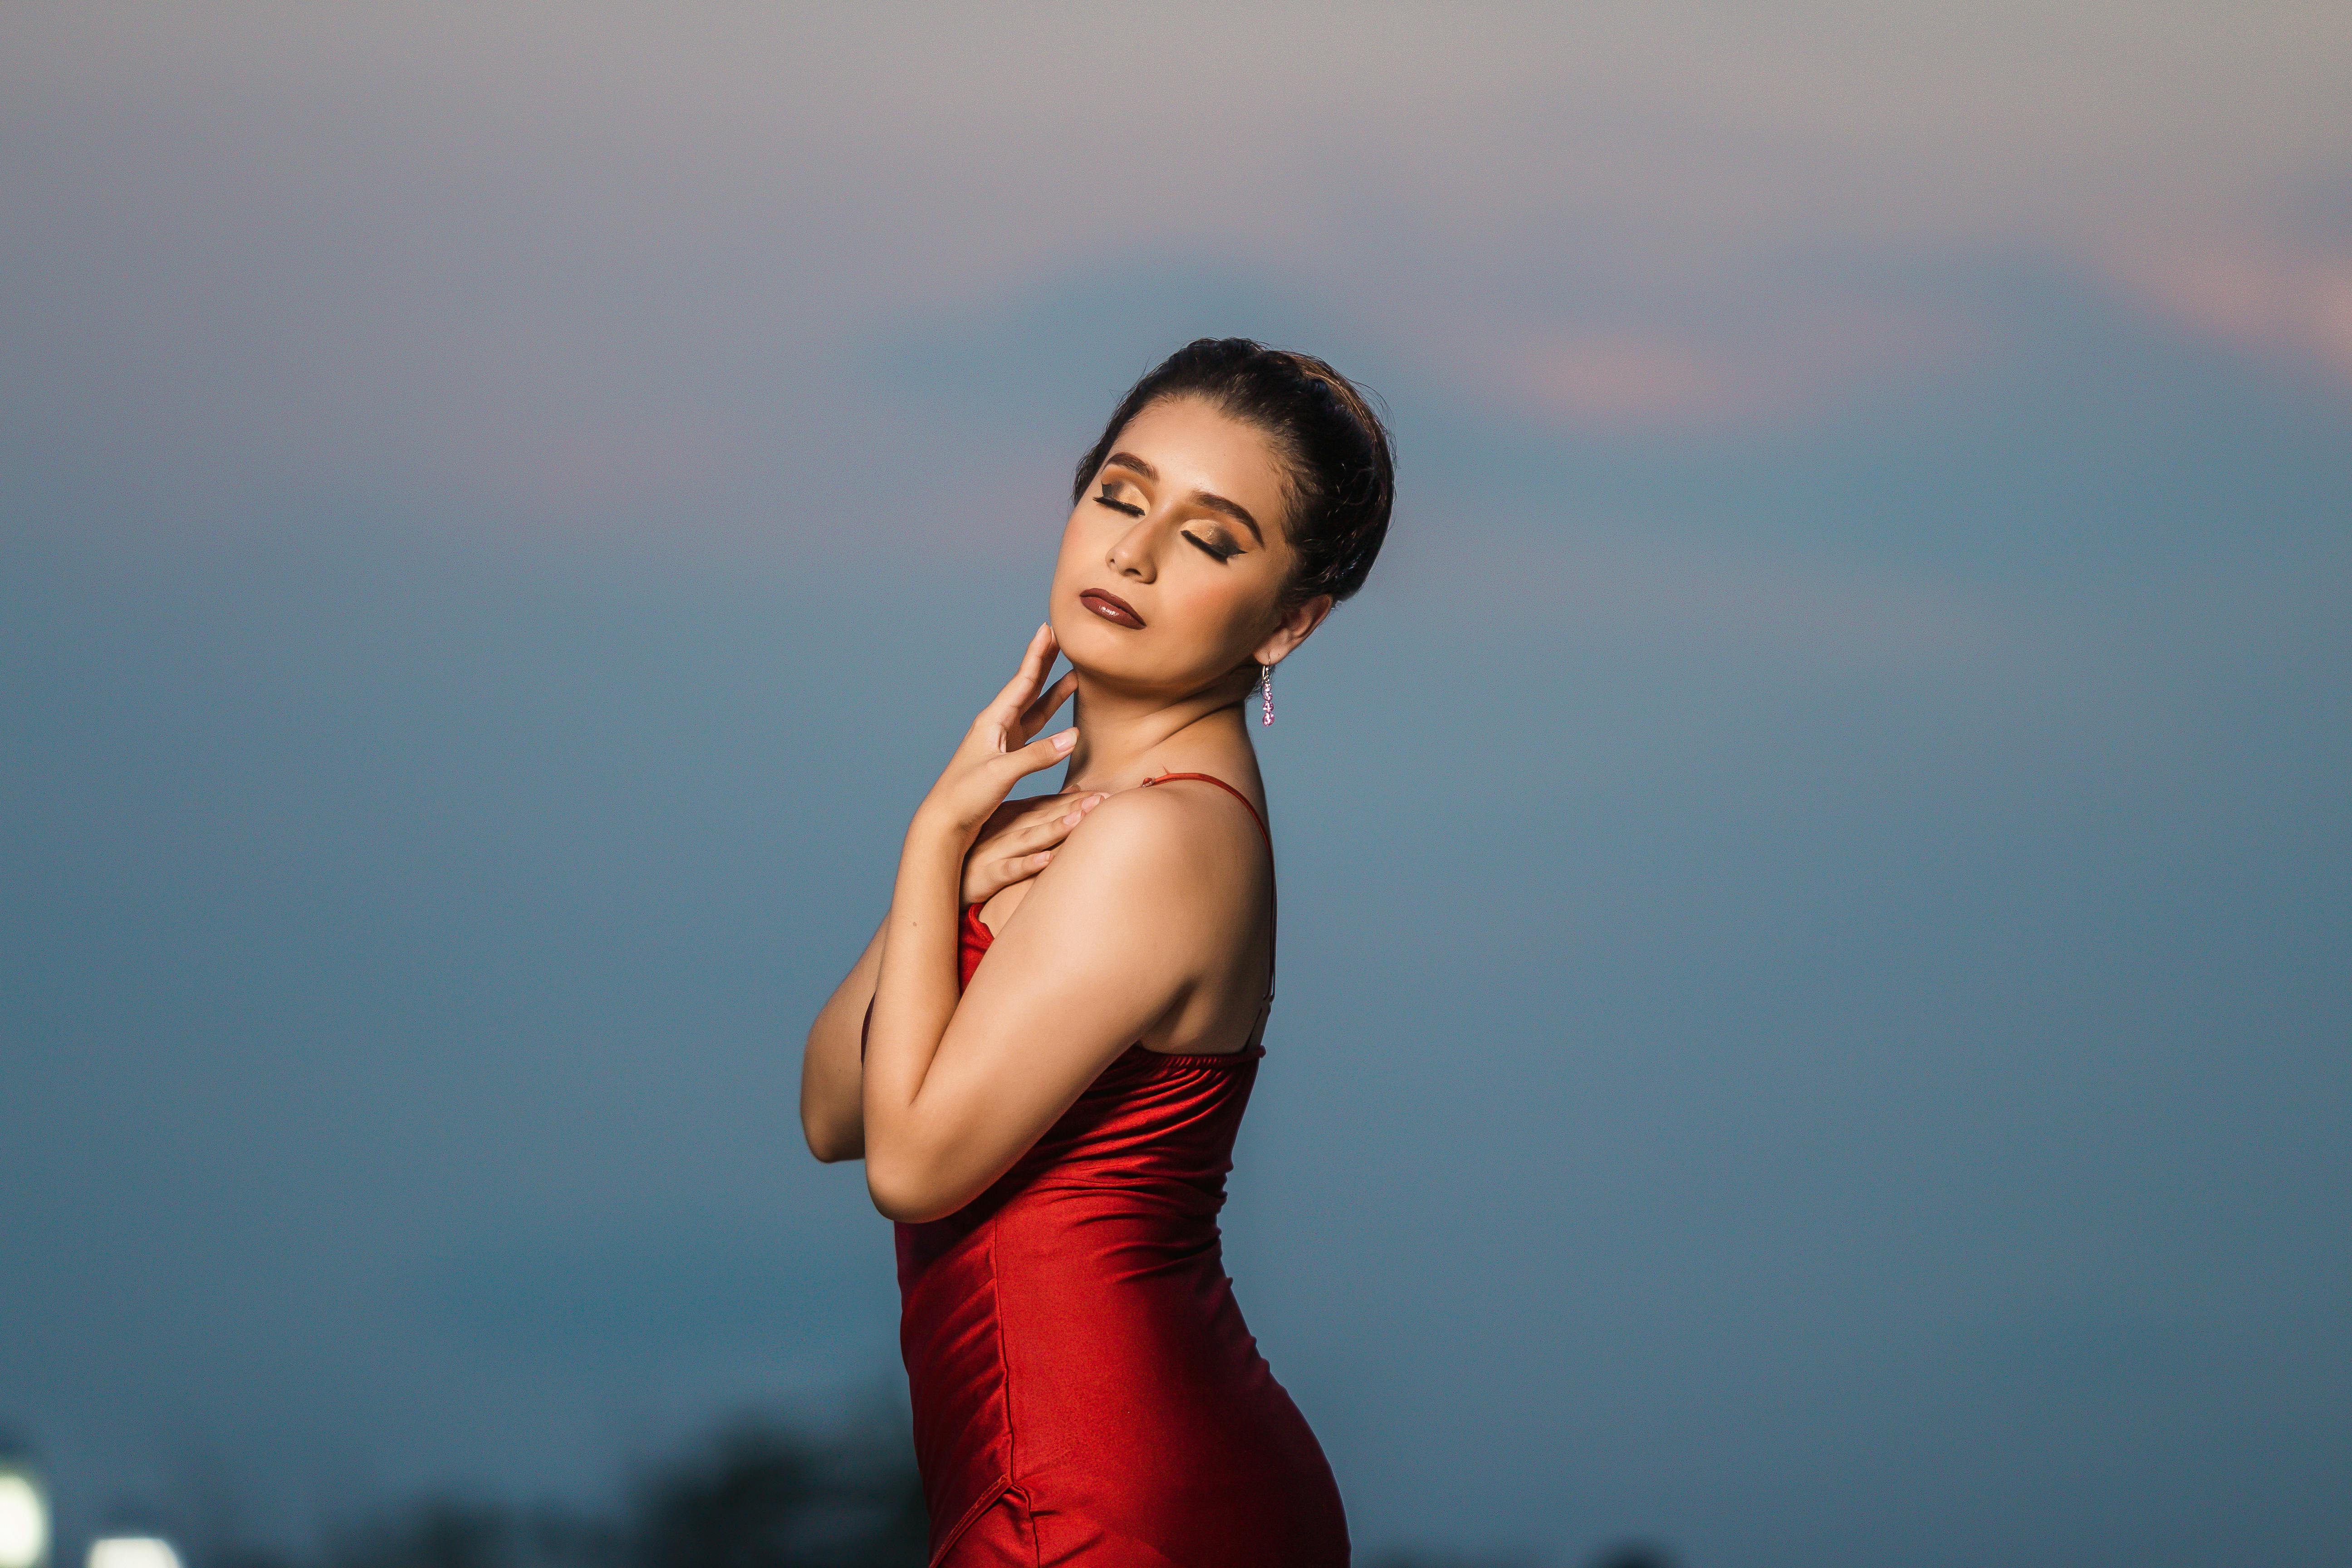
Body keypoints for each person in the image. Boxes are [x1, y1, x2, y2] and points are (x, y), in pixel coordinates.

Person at [799, 337, 1394, 1565]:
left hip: (1112, 1509)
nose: (1133, 549)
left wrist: (929, 846)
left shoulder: (1162, 839)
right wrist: (951, 871)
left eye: (1211, 537)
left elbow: (911, 1170)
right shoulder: (1087, 818)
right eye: (1120, 495)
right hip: (1067, 1482)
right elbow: (832, 1107)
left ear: (1290, 622)